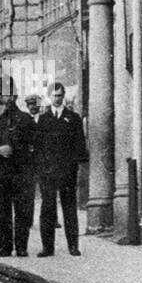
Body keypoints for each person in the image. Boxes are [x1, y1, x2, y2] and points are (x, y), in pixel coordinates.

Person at [35, 82, 87, 257]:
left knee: (69, 208)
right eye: (54, 95)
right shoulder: (43, 120)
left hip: (67, 171)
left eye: (60, 95)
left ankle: (73, 245)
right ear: (50, 96)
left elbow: (80, 145)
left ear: (63, 95)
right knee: (48, 209)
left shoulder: (73, 118)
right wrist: (42, 168)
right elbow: (38, 147)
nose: (57, 98)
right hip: (48, 172)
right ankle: (47, 247)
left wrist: (74, 166)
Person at [0, 94, 36, 258]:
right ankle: (5, 247)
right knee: (3, 210)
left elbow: (35, 143)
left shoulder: (25, 119)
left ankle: (21, 247)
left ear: (14, 96)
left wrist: (19, 151)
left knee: (22, 210)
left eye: (7, 94)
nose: (4, 98)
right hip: (2, 171)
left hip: (21, 171)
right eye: (1, 95)